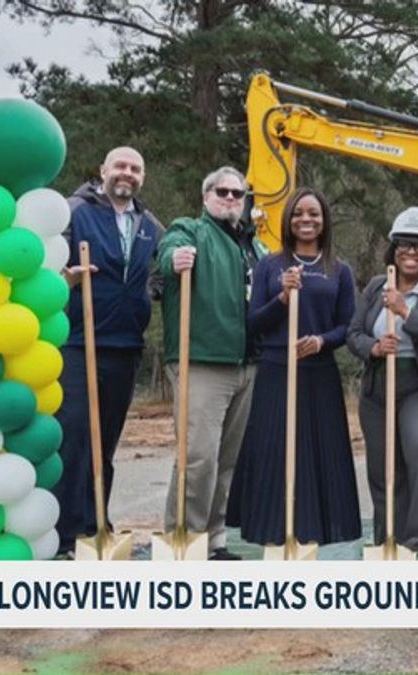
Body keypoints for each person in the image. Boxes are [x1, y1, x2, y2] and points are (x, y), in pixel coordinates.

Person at [226, 187, 361, 548]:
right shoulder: (271, 265)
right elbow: (254, 322)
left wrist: (320, 341)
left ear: (324, 221)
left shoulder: (339, 270)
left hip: (319, 373)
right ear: (288, 219)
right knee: (275, 449)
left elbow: (347, 326)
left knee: (317, 453)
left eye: (314, 214)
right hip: (275, 368)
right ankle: (272, 531)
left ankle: (315, 531)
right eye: (299, 213)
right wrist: (282, 299)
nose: (306, 219)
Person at [53, 146, 162, 557]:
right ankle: (64, 537)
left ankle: (97, 526)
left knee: (107, 443)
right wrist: (65, 278)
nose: (127, 173)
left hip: (124, 345)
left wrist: (152, 291)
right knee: (75, 437)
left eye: (136, 168)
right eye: (120, 165)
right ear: (103, 170)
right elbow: (42, 265)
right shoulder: (74, 211)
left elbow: (161, 270)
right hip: (78, 343)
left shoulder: (149, 223)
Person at [158, 166, 264, 560]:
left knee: (226, 458)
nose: (232, 199)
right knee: (198, 455)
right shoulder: (190, 230)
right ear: (207, 196)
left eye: (239, 194)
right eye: (223, 192)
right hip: (201, 359)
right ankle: (183, 540)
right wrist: (175, 259)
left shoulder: (252, 247)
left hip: (246, 363)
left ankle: (214, 538)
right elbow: (167, 252)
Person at [348, 207, 418, 559]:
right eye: (404, 245)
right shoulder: (376, 286)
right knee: (384, 469)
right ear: (393, 249)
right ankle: (390, 542)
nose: (411, 252)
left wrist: (406, 312)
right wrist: (375, 347)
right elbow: (353, 334)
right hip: (379, 387)